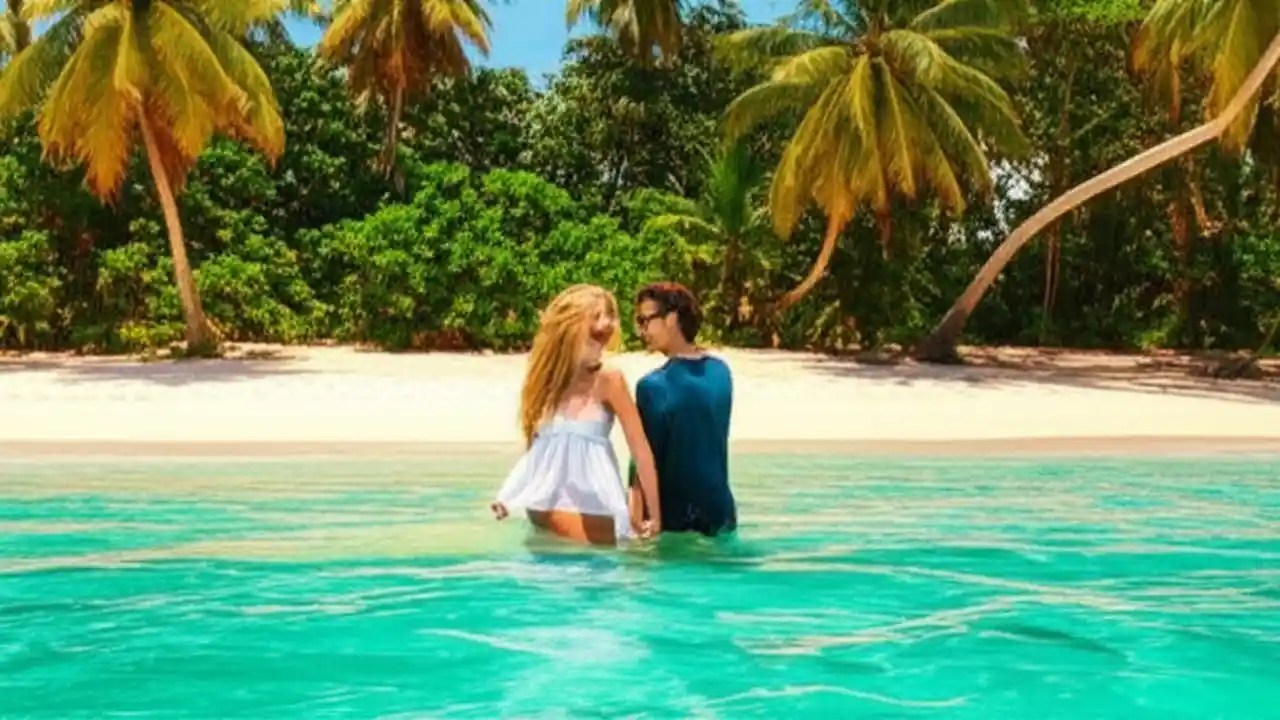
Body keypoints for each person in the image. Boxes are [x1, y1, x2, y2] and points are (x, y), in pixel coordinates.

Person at [491, 284, 662, 545]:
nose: (606, 324)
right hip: (542, 511)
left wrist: (655, 515)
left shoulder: (609, 380)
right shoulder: (547, 380)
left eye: (609, 316)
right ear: (571, 325)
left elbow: (641, 452)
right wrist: (510, 494)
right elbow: (536, 450)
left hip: (592, 513)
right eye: (596, 316)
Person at [628, 282, 737, 536]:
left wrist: (636, 520)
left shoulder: (653, 386)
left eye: (645, 320)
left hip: (677, 517)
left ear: (671, 318)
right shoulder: (721, 372)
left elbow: (643, 460)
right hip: (721, 511)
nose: (641, 330)